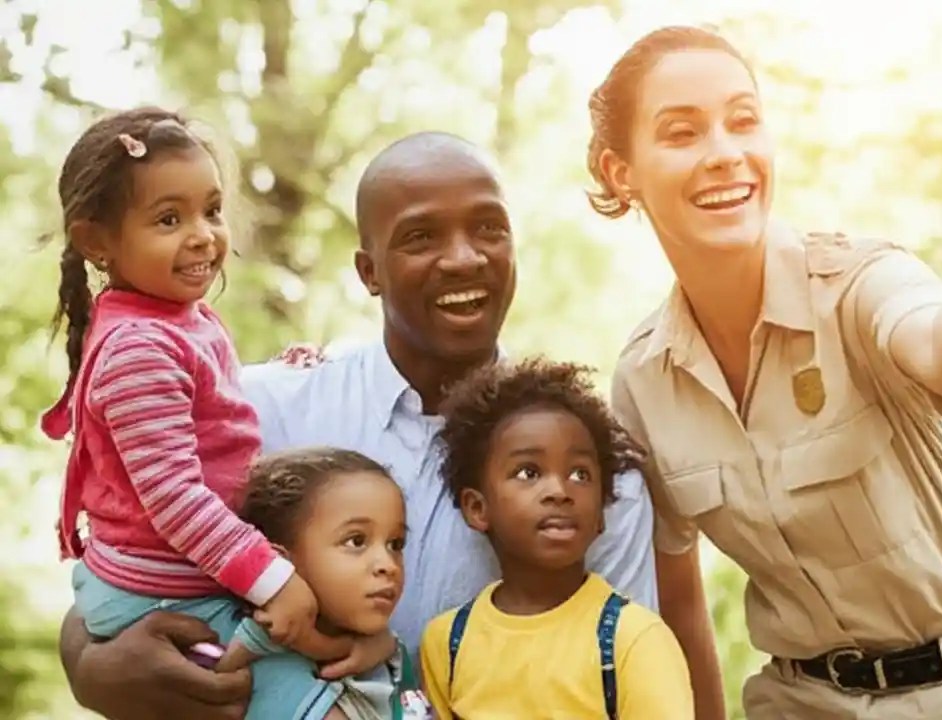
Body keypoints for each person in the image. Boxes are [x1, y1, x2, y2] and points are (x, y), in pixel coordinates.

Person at [56, 131, 724, 720]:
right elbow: (127, 549)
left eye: (489, 228)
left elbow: (627, 666)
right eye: (420, 236)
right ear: (368, 272)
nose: (463, 258)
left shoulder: (588, 471)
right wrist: (90, 664)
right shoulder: (267, 413)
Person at [588, 26, 942, 719]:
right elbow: (676, 597)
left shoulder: (858, 284)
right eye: (683, 134)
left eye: (744, 122)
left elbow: (936, 337)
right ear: (623, 172)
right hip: (801, 703)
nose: (726, 155)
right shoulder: (644, 380)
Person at [40, 106, 388, 719]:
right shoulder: (139, 348)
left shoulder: (176, 321)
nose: (202, 234)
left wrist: (285, 369)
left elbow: (205, 413)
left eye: (212, 210)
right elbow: (175, 498)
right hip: (157, 593)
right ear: (97, 241)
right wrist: (271, 580)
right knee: (323, 706)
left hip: (187, 572)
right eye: (169, 218)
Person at [421, 358, 694, 719]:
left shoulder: (632, 639)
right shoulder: (448, 643)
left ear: (600, 512)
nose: (559, 491)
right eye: (528, 472)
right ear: (477, 508)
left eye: (580, 474)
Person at [213, 447, 430, 720]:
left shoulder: (389, 659)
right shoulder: (252, 667)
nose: (388, 564)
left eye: (395, 544)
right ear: (279, 564)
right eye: (356, 541)